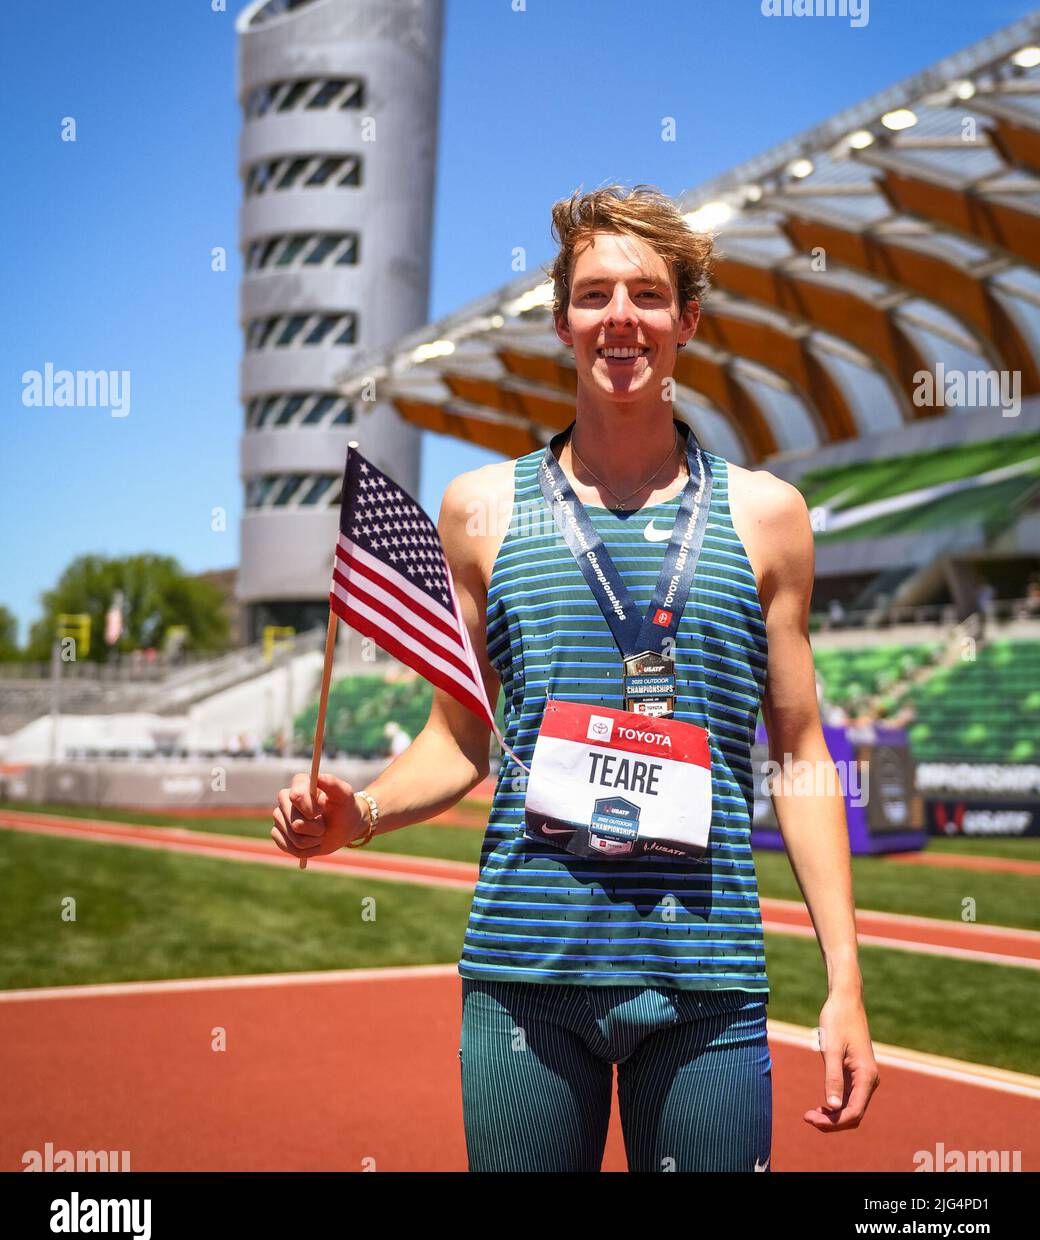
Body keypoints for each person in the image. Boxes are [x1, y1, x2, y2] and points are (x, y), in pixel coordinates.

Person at [271, 184, 880, 1172]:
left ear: (686, 316)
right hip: (522, 977)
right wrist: (362, 813)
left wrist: (844, 976)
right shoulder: (478, 509)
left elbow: (801, 754)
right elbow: (459, 735)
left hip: (707, 983)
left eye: (645, 294)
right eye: (593, 295)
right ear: (560, 321)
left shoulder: (769, 516)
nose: (619, 318)